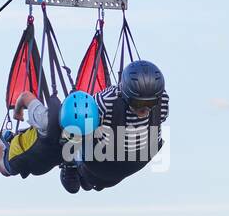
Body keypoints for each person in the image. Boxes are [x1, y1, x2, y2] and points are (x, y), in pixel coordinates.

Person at [61, 60, 167, 193]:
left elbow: (160, 116)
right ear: (126, 95)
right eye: (138, 103)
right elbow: (79, 116)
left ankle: (86, 174)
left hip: (134, 161)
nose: (145, 110)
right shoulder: (105, 102)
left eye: (151, 103)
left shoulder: (162, 100)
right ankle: (71, 162)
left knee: (96, 182)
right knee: (79, 112)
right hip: (102, 162)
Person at [0, 88, 61, 179]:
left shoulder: (45, 121)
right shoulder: (46, 122)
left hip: (38, 159)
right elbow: (25, 96)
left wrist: (17, 111)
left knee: (5, 164)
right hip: (42, 153)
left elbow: (25, 96)